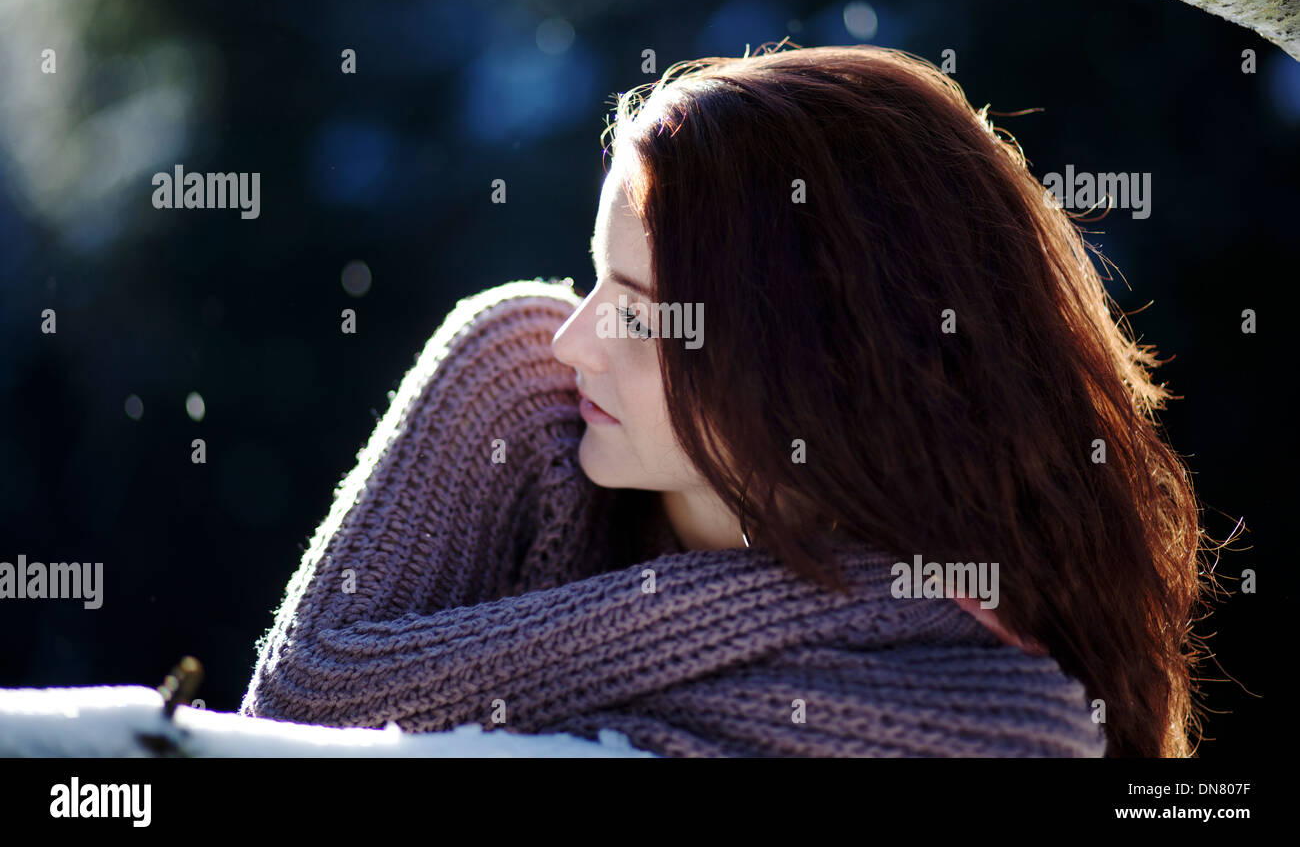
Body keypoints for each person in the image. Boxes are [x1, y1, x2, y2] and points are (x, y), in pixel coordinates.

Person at [241, 42, 1211, 757]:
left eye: (638, 308)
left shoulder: (1004, 714)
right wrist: (829, 608)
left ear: (813, 360)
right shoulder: (520, 384)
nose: (577, 334)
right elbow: (306, 705)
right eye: (595, 279)